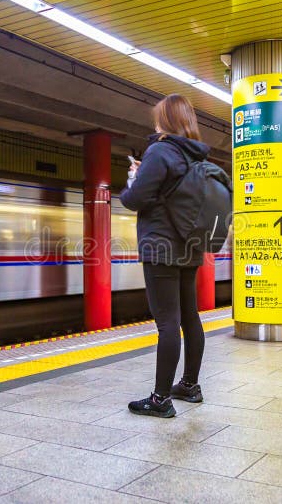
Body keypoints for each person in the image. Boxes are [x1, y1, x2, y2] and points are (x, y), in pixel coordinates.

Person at [120, 94, 208, 418]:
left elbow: (136, 199)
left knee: (167, 322)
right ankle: (189, 385)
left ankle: (160, 399)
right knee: (189, 316)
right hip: (190, 247)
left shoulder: (160, 150)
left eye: (158, 117)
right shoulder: (197, 159)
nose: (155, 123)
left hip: (161, 246)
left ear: (166, 120)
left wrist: (133, 181)